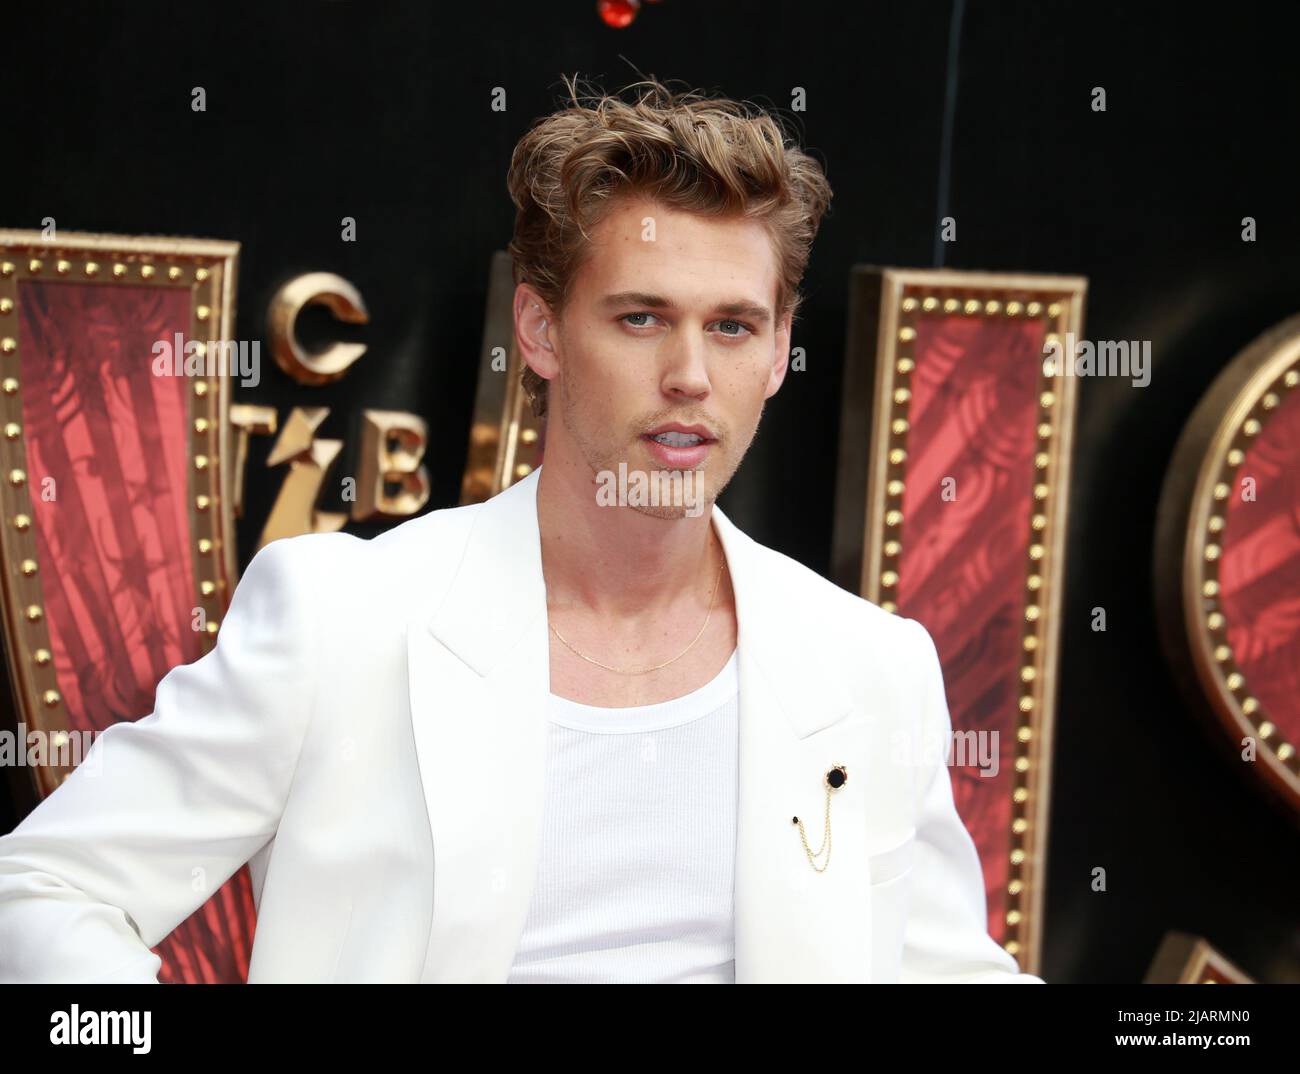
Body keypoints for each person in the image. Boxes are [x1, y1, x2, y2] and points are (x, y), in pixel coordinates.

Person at [0, 75, 1042, 983]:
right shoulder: (344, 621)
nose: (690, 374)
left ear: (777, 354)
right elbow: (41, 892)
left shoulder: (867, 666)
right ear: (538, 330)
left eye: (732, 326)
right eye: (640, 318)